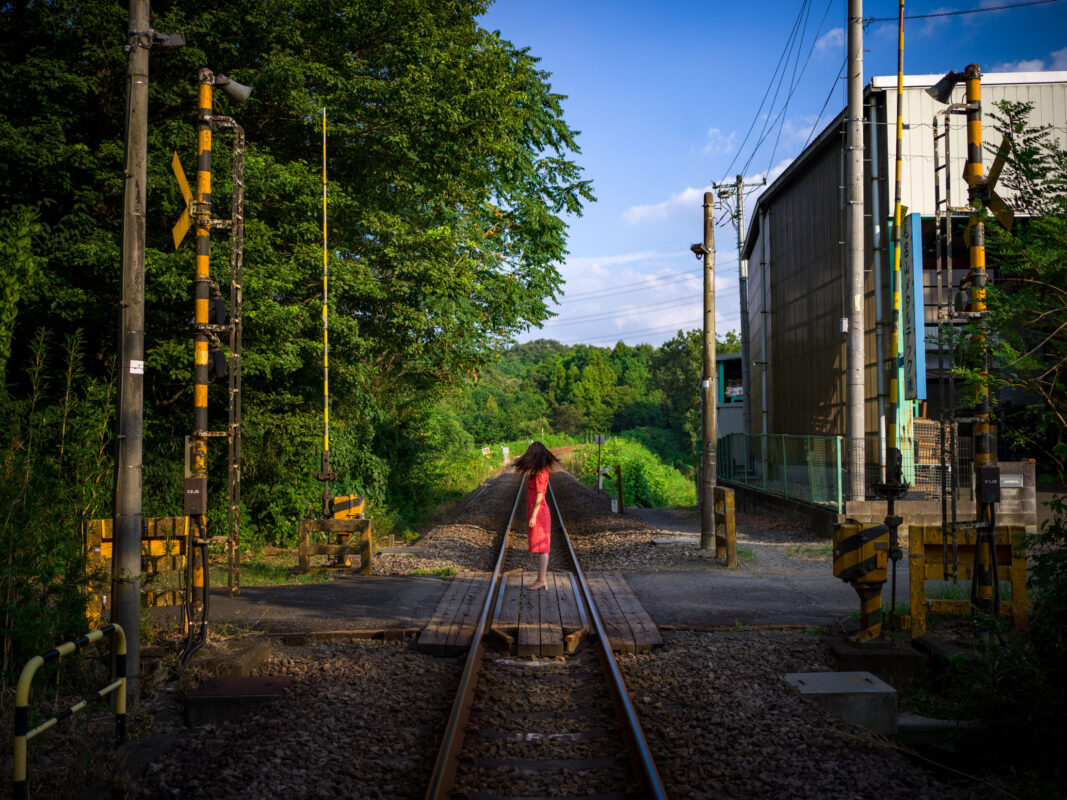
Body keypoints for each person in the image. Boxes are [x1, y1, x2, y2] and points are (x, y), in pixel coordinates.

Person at [512, 441, 560, 590]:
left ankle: (542, 580)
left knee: (543, 547)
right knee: (541, 547)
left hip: (539, 513)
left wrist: (533, 516)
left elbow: (540, 495)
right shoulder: (538, 471)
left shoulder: (540, 474)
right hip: (537, 511)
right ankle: (540, 579)